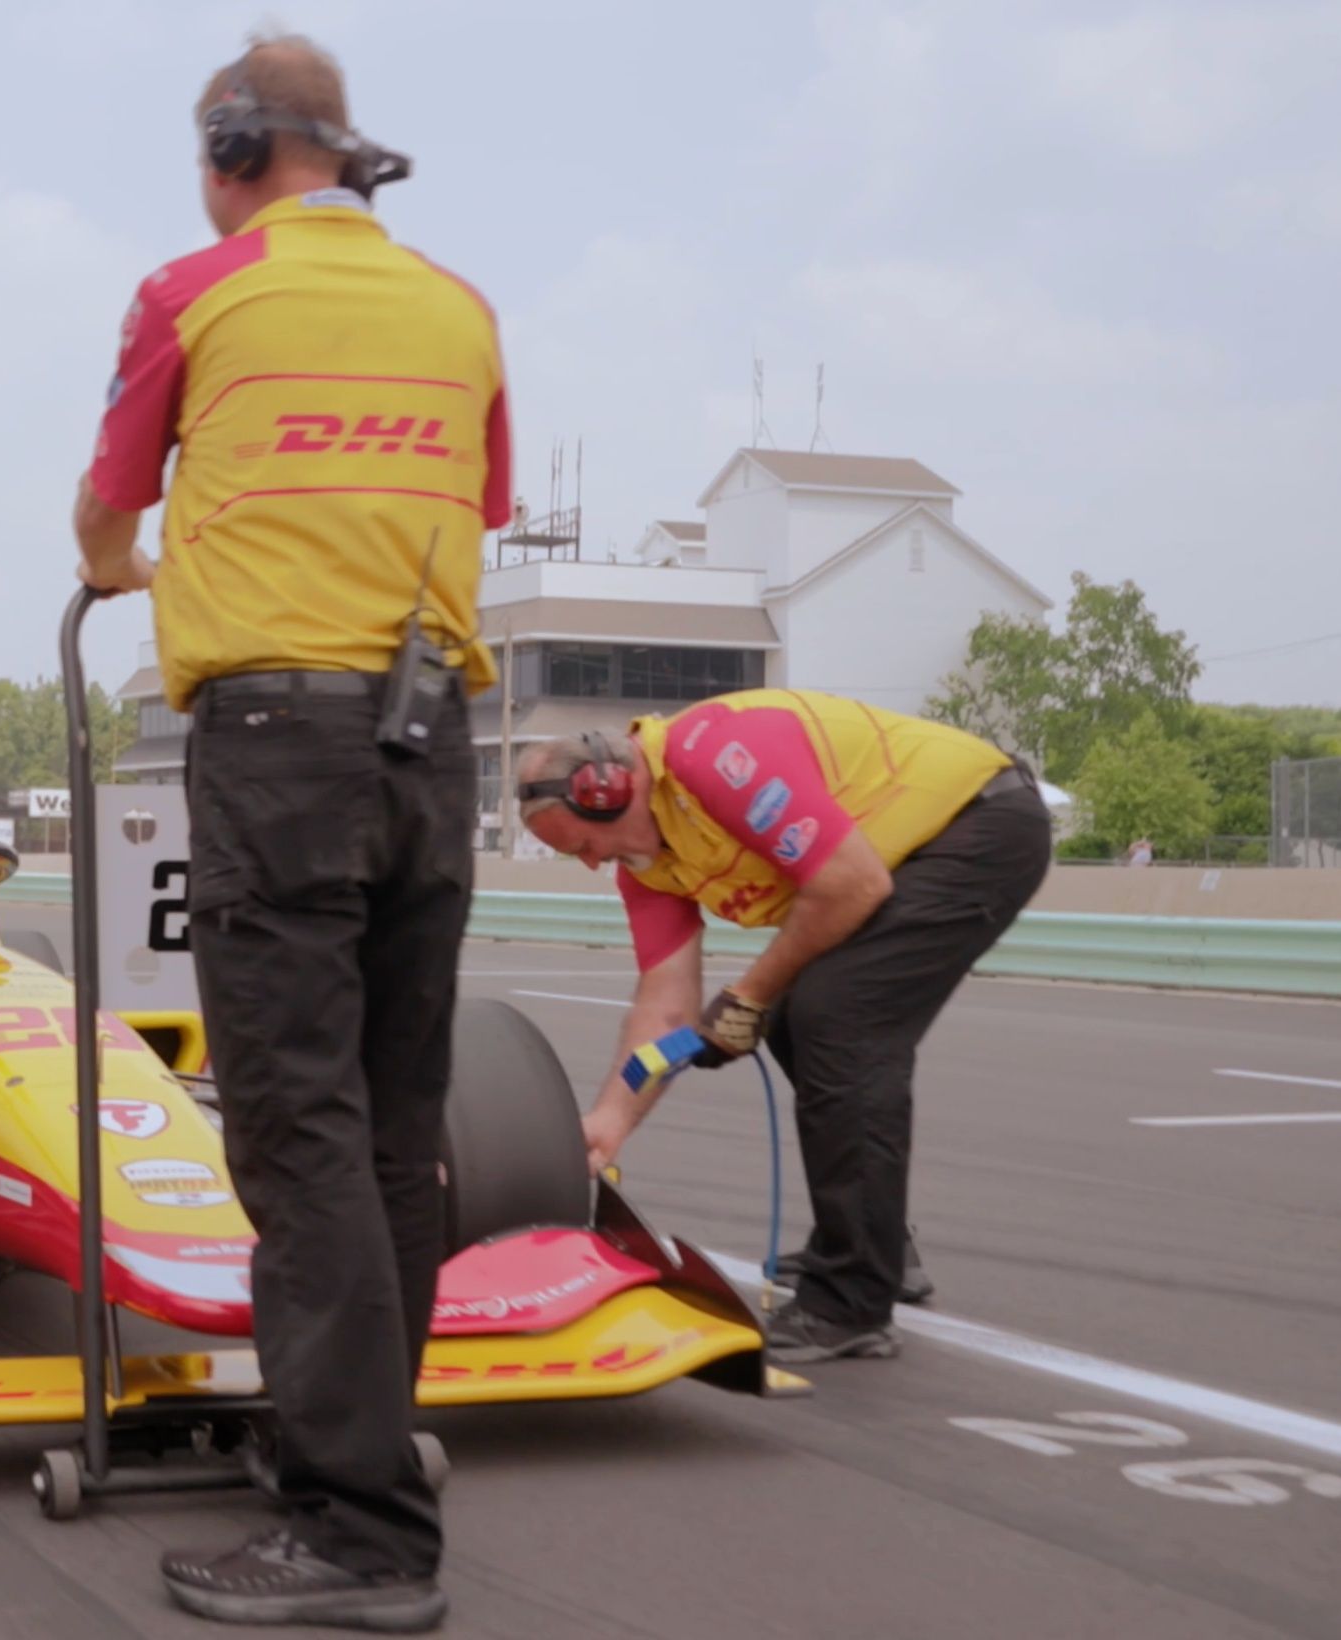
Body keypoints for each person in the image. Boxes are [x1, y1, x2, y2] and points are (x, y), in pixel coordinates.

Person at [68, 34, 508, 1633]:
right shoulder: (459, 308)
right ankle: (361, 1453)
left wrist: (136, 567)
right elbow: (483, 501)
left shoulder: (194, 291)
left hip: (280, 740)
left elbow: (106, 510)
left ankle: (361, 1530)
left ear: (235, 151)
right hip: (431, 738)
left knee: (297, 1132)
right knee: (397, 1130)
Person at [518, 691, 1051, 1362]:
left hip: (976, 825)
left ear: (609, 792)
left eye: (584, 846)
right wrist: (612, 1120)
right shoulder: (649, 869)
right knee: (801, 1025)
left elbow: (850, 883)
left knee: (836, 1018)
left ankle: (853, 1301)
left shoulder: (711, 756)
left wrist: (748, 996)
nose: (593, 864)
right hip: (893, 861)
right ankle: (878, 1245)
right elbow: (667, 1006)